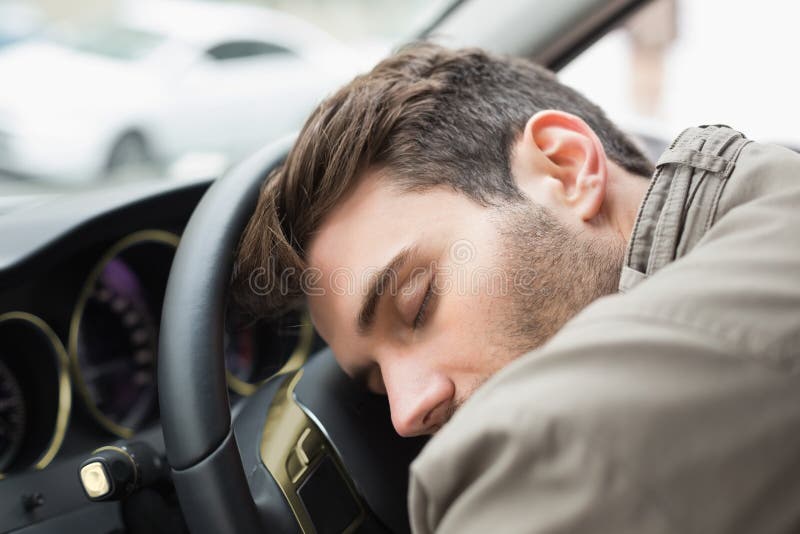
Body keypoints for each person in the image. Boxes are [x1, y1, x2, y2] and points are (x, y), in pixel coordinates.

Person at [233, 44, 800, 533]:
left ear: (566, 167)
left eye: (418, 302)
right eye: (378, 384)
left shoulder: (532, 460)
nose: (407, 414)